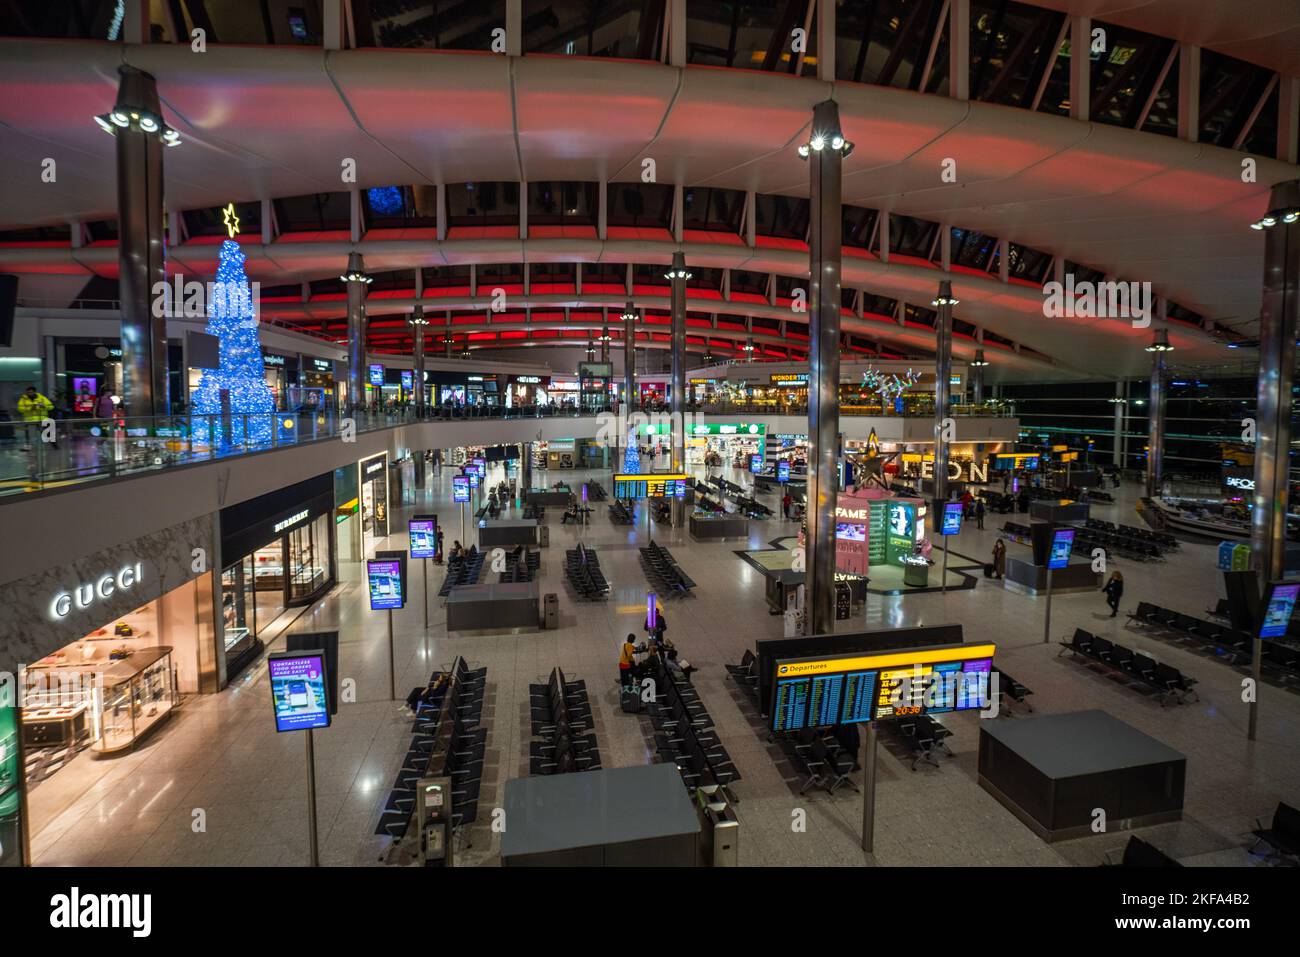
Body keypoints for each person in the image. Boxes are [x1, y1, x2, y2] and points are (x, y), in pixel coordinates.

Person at [16, 385, 54, 451]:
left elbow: (51, 407)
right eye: (28, 392)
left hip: (41, 419)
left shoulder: (41, 398)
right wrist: (30, 408)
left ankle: (54, 445)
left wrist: (43, 406)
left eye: (31, 392)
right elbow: (20, 409)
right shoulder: (23, 399)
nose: (30, 393)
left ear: (34, 392)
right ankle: (28, 447)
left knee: (47, 434)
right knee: (28, 435)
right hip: (29, 420)